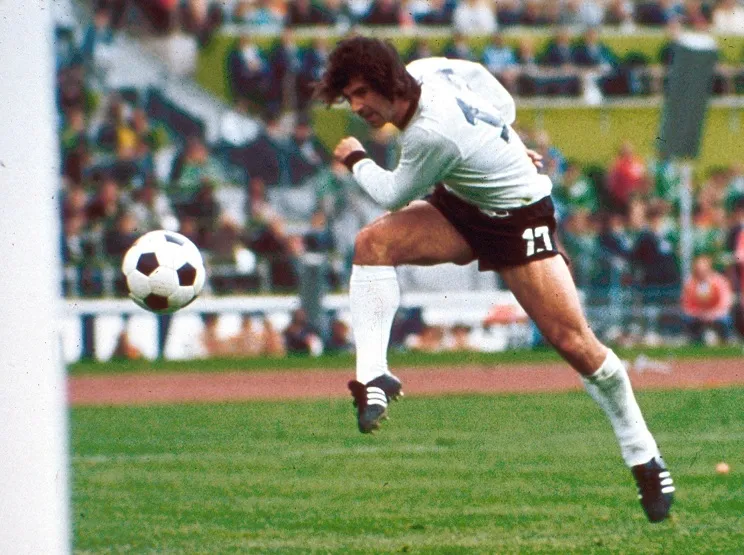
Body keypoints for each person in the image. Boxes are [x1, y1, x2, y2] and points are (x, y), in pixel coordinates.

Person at [314, 36, 674, 522]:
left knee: (575, 344)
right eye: (348, 98)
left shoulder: (431, 134)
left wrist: (356, 157)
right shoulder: (428, 70)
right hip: (463, 203)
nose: (357, 107)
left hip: (516, 219)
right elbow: (490, 88)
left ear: (387, 81)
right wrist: (505, 140)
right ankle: (372, 377)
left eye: (360, 93)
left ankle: (644, 456)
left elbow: (392, 192)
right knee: (372, 245)